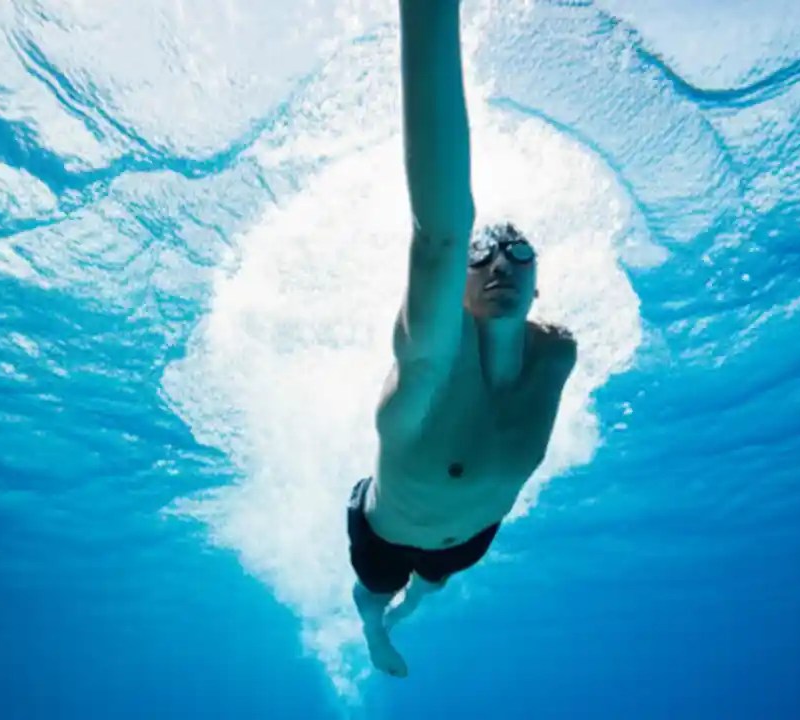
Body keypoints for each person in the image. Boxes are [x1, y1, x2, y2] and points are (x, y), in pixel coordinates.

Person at [346, 0, 578, 678]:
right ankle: (371, 633)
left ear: (539, 279)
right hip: (386, 529)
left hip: (470, 538)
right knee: (374, 595)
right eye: (481, 256)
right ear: (457, 285)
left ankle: (402, 621)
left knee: (428, 591)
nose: (499, 262)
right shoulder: (431, 367)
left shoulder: (556, 357)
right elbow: (440, 231)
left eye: (518, 251)